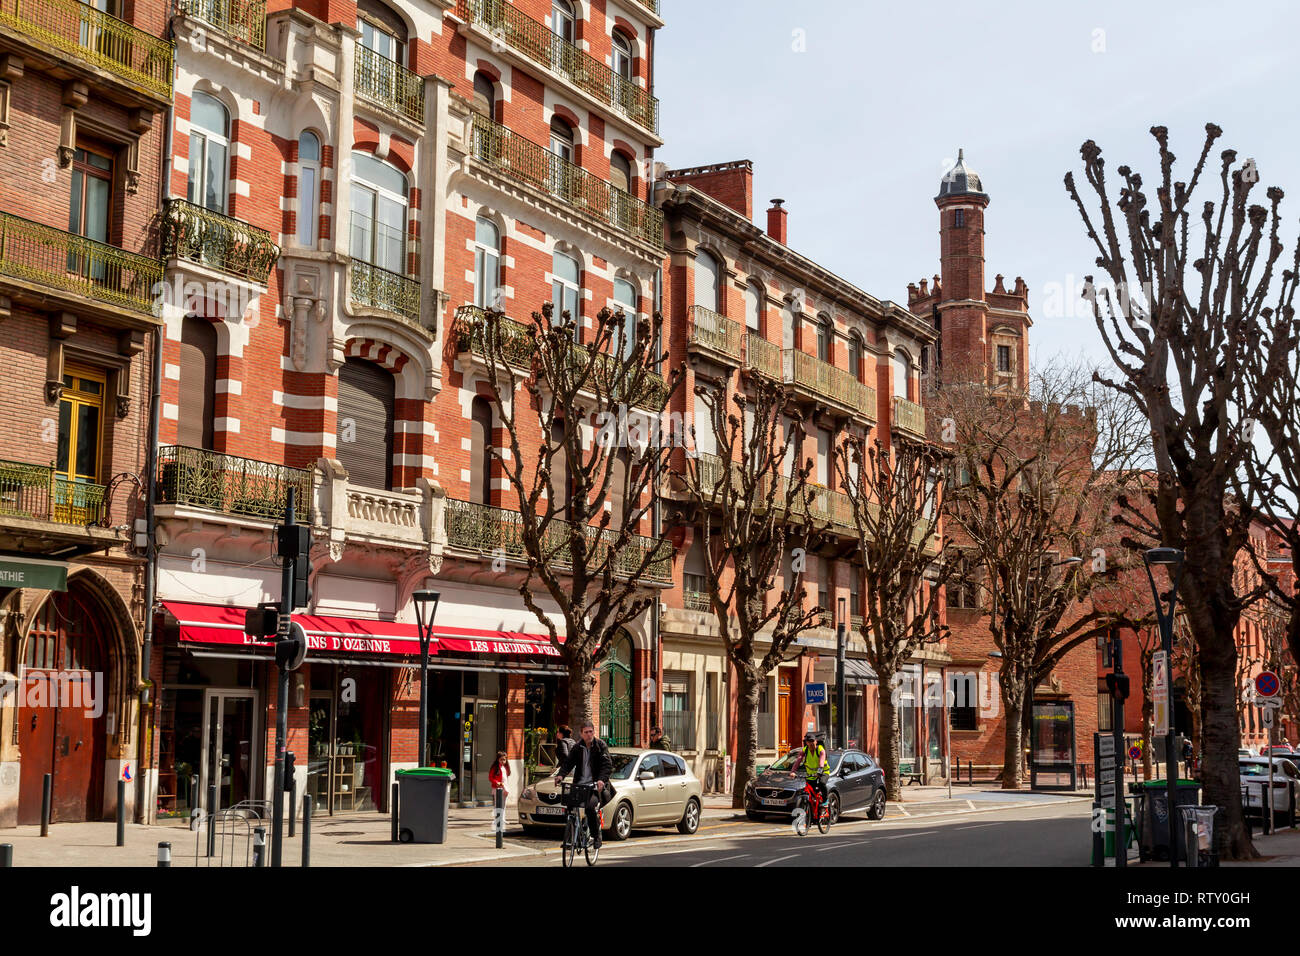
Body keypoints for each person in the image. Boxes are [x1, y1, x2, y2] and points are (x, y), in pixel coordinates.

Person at [553, 720, 613, 848]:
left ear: (594, 732)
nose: (589, 734)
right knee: (569, 807)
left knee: (590, 808)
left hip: (594, 786)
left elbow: (607, 765)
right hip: (579, 785)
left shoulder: (600, 745)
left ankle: (597, 837)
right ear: (581, 734)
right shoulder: (577, 747)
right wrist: (560, 775)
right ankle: (570, 839)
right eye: (586, 732)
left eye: (591, 732)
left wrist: (601, 779)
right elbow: (568, 763)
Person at [789, 731, 830, 812]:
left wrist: (820, 770)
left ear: (816, 741)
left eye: (812, 741)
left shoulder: (821, 750)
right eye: (809, 742)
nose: (811, 743)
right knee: (809, 791)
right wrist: (793, 771)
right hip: (811, 774)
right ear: (806, 743)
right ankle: (810, 812)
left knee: (822, 783)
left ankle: (825, 801)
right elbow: (798, 761)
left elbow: (821, 762)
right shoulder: (804, 751)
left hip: (823, 772)